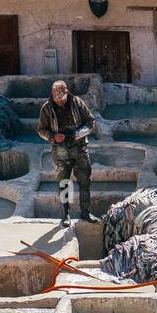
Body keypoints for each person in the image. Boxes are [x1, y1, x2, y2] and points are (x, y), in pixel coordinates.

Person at [38, 79, 98, 224]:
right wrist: (52, 137)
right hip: (60, 151)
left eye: (62, 99)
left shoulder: (77, 103)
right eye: (56, 100)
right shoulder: (46, 108)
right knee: (64, 183)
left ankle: (86, 213)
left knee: (85, 181)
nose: (60, 102)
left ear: (67, 93)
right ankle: (65, 216)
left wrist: (75, 135)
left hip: (80, 148)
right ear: (52, 96)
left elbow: (91, 123)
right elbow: (41, 130)